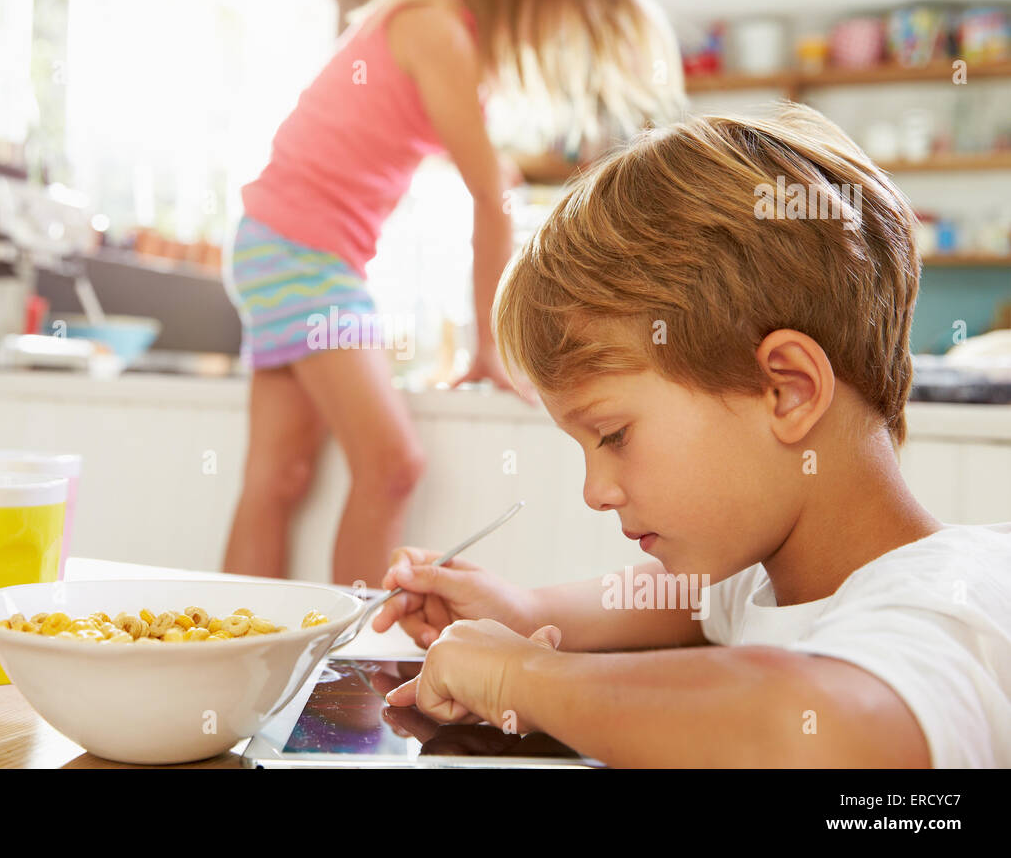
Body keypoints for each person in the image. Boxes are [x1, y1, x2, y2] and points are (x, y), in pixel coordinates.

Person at [375, 104, 1011, 767]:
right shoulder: (760, 582)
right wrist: (520, 610)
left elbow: (813, 727)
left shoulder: (961, 602)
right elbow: (670, 603)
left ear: (787, 391)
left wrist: (518, 677)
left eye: (614, 434)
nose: (595, 491)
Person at [223, 0, 682, 586]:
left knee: (280, 477)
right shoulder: (436, 26)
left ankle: (245, 666)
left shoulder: (444, 21)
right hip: (298, 252)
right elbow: (490, 199)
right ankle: (359, 662)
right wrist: (492, 349)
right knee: (392, 466)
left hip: (281, 246)